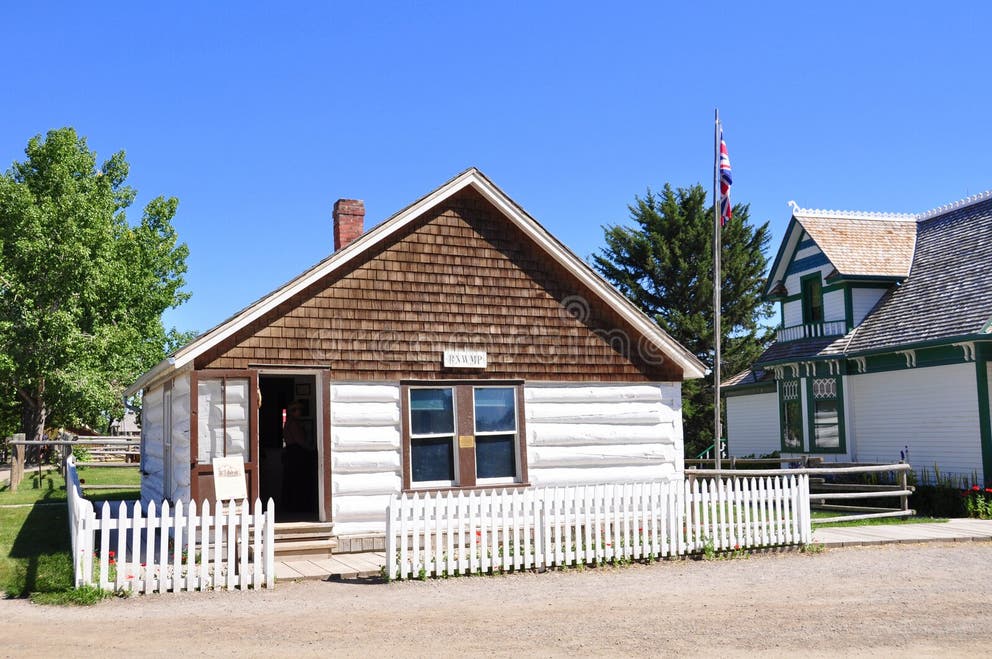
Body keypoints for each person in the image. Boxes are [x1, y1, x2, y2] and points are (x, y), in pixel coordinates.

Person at [281, 400, 315, 513]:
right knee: (297, 481)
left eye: (300, 409)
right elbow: (301, 441)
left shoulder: (290, 423)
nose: (299, 412)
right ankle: (296, 508)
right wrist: (311, 449)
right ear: (291, 412)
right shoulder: (293, 424)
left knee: (292, 481)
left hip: (293, 454)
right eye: (296, 410)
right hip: (296, 454)